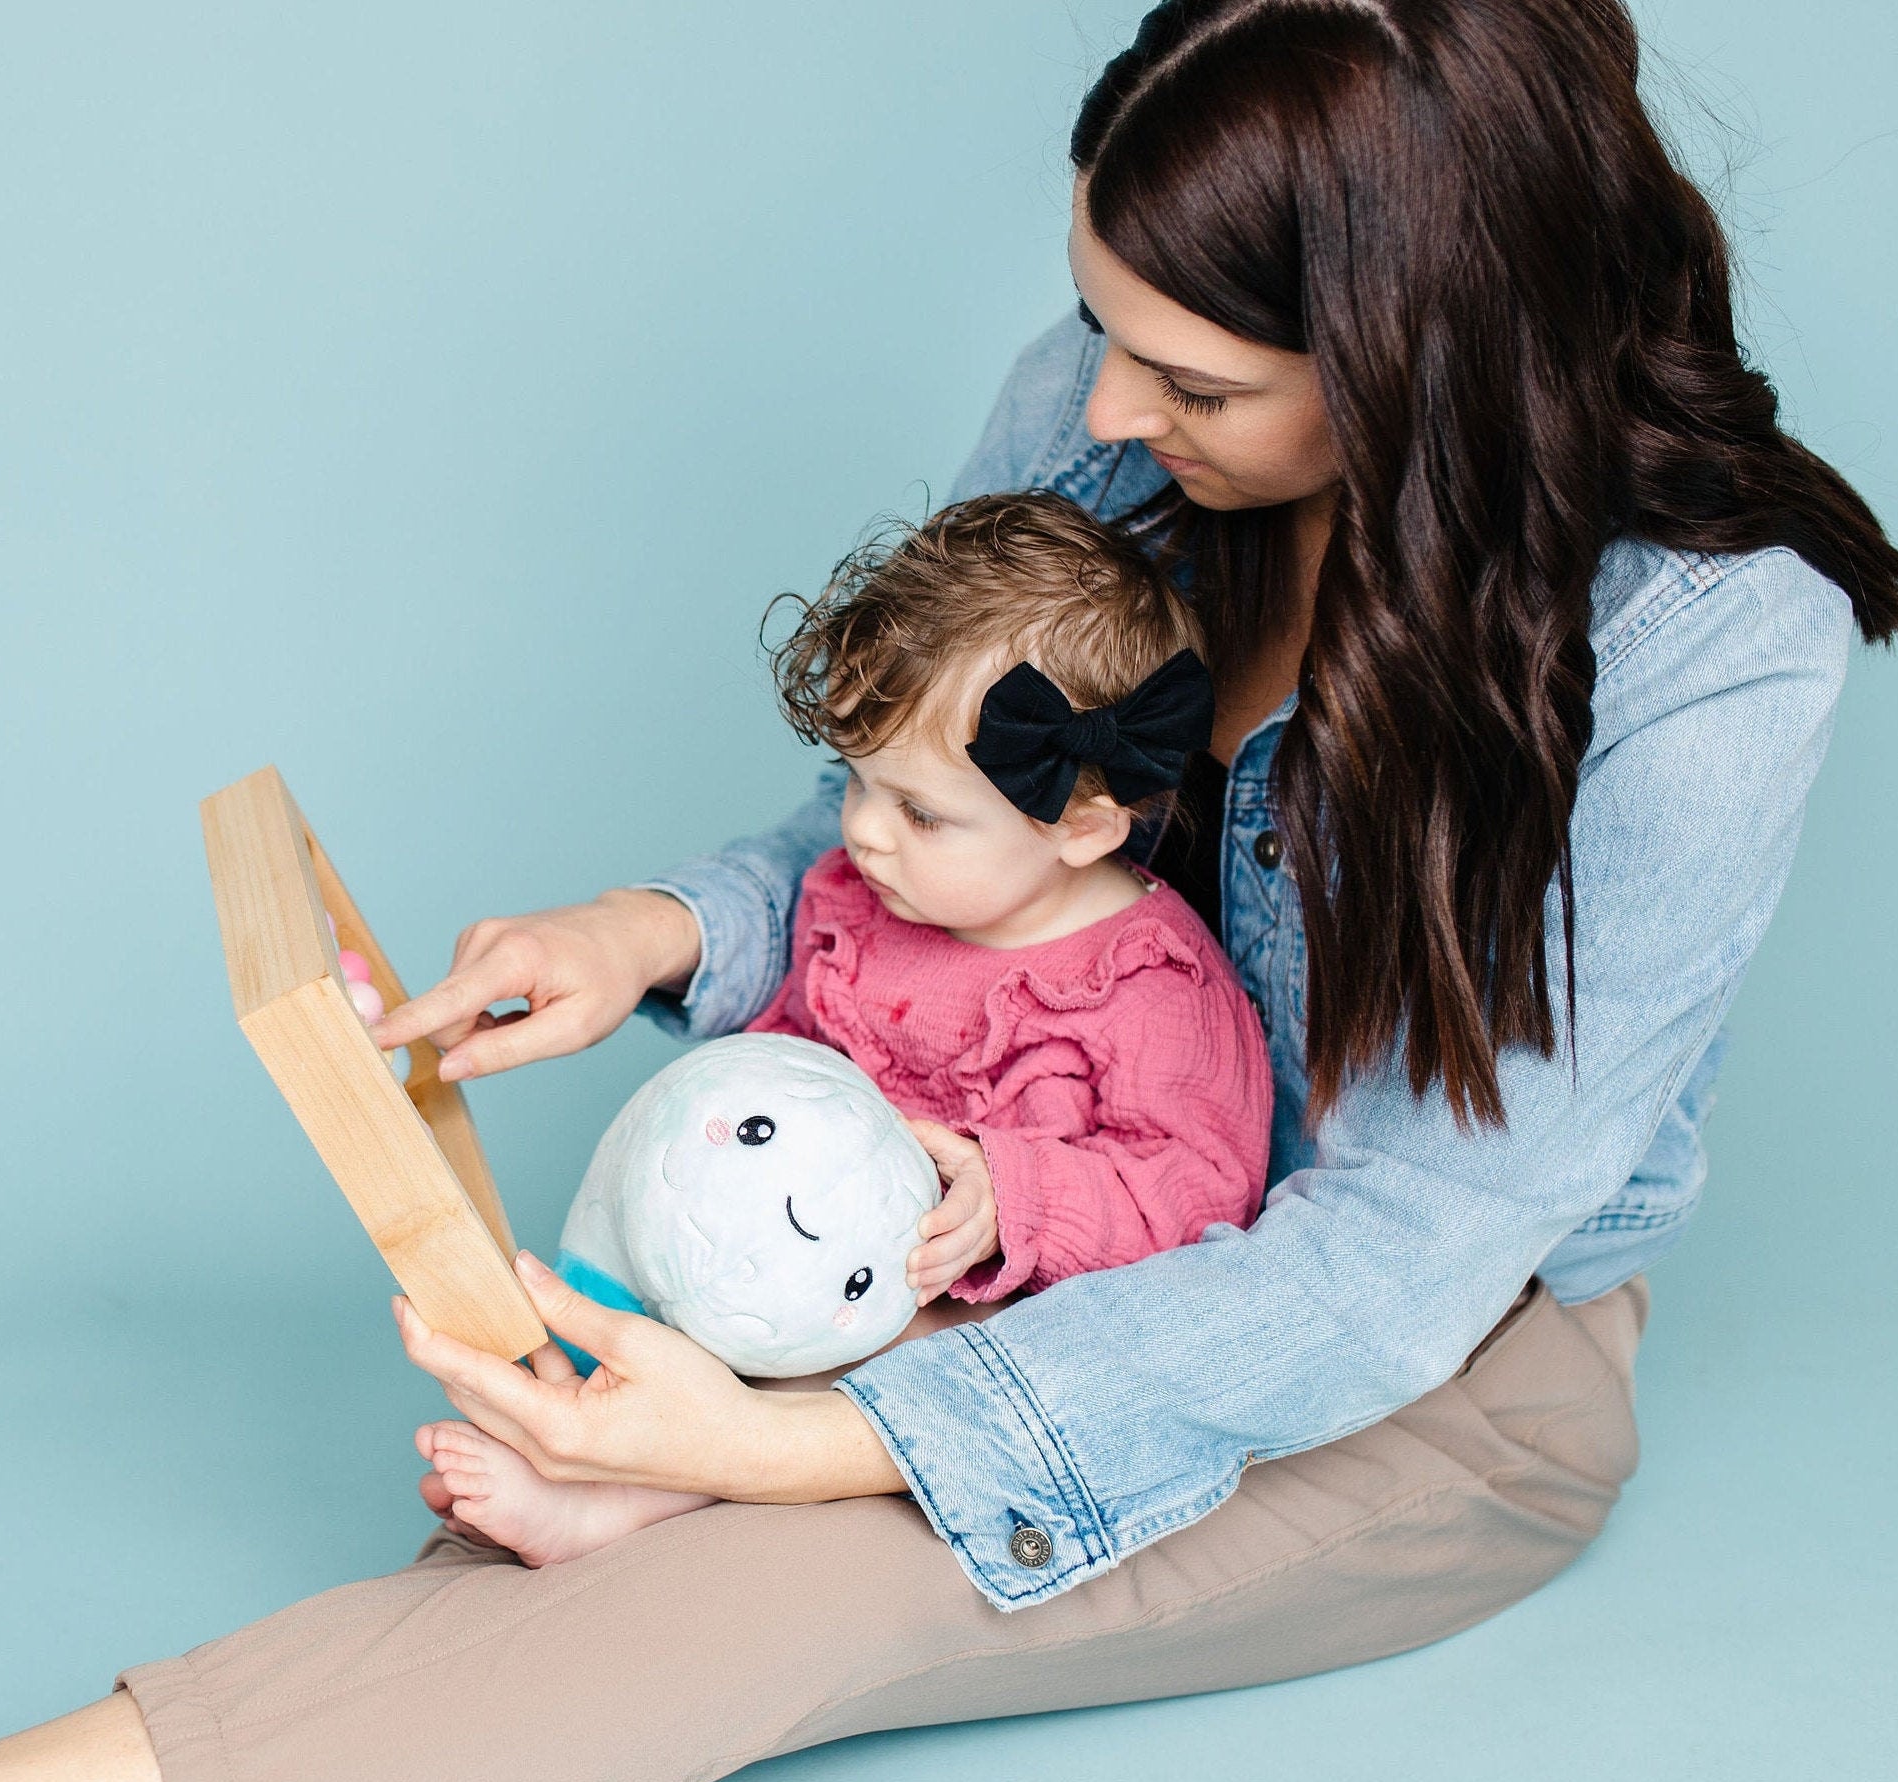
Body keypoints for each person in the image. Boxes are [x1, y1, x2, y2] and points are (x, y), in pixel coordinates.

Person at [0, 2, 1898, 1782]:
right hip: (989, 1254)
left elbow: (1403, 1252)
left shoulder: (1707, 641)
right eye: (1098, 329)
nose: (1102, 415)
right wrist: (651, 932)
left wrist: (788, 1448)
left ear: (1429, 352)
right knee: (564, 1501)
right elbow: (917, 833)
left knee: (745, 1594)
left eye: (1190, 379)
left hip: (1418, 1373)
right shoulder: (1116, 408)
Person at [413, 491, 1273, 1569]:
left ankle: (635, 1496)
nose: (861, 829)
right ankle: (591, 1390)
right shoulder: (863, 898)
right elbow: (792, 1051)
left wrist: (1014, 1197)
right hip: (800, 1258)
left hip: (965, 1305)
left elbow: (1202, 1188)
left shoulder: (1151, 988)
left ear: (1083, 827)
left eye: (919, 811)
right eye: (858, 781)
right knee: (683, 1242)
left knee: (915, 1351)